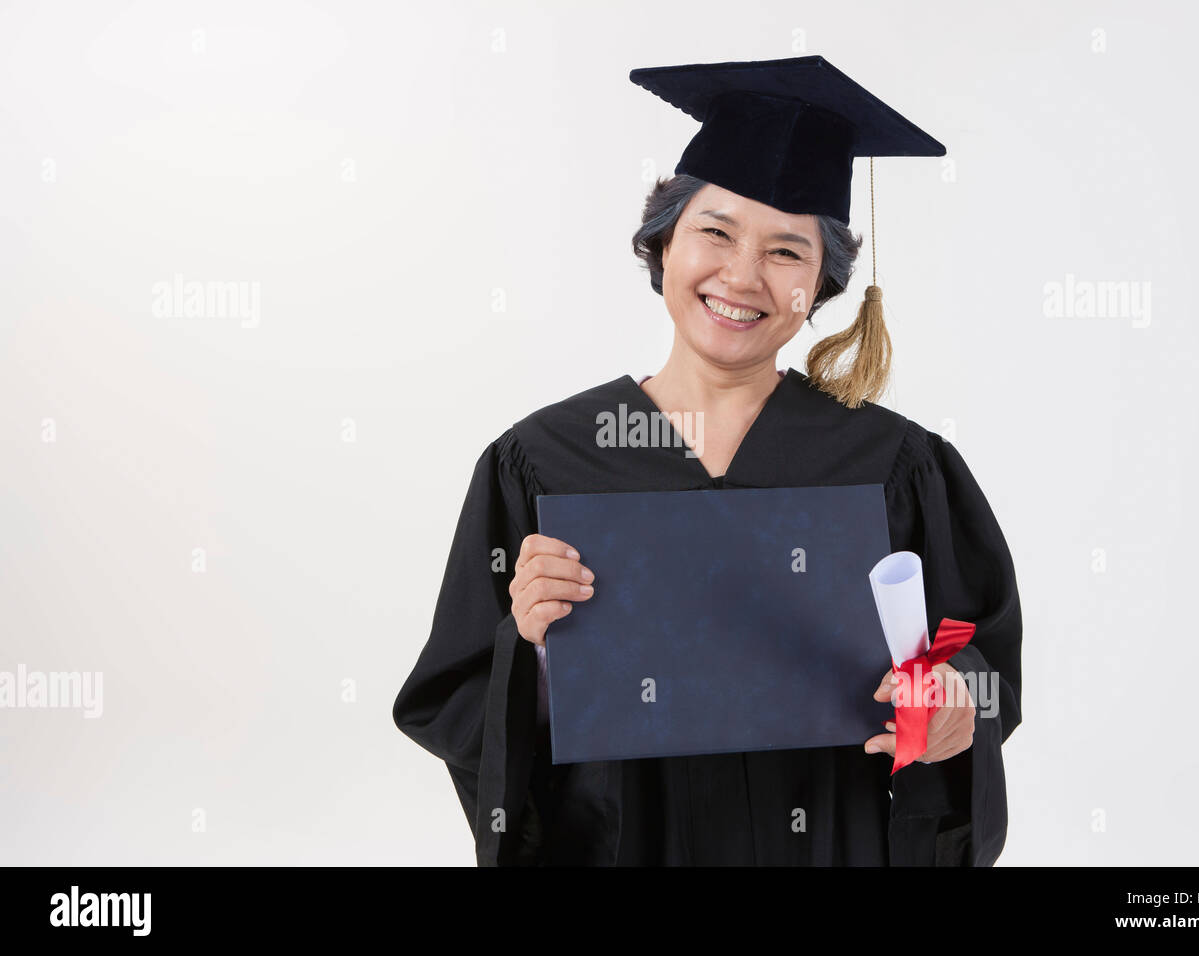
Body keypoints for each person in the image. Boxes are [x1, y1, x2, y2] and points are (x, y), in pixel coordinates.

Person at [393, 55, 1022, 866]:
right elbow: (456, 701)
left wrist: (952, 705)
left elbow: (979, 658)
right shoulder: (544, 462)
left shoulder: (895, 463)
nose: (741, 275)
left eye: (787, 252)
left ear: (822, 285)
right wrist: (536, 652)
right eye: (715, 232)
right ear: (663, 243)